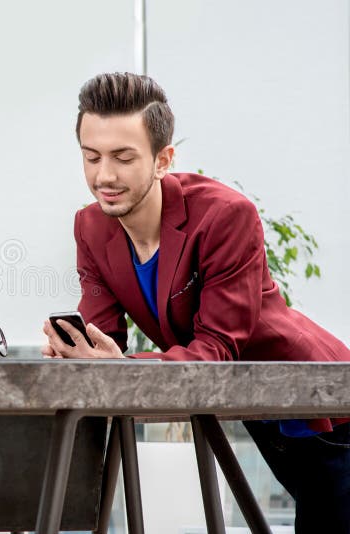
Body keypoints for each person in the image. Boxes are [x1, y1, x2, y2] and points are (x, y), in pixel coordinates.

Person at [42, 71, 350, 532]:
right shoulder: (91, 226)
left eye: (123, 158)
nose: (104, 176)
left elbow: (217, 348)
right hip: (257, 408)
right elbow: (105, 340)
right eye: (91, 157)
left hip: (320, 403)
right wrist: (77, 351)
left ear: (164, 159)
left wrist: (121, 367)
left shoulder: (226, 216)